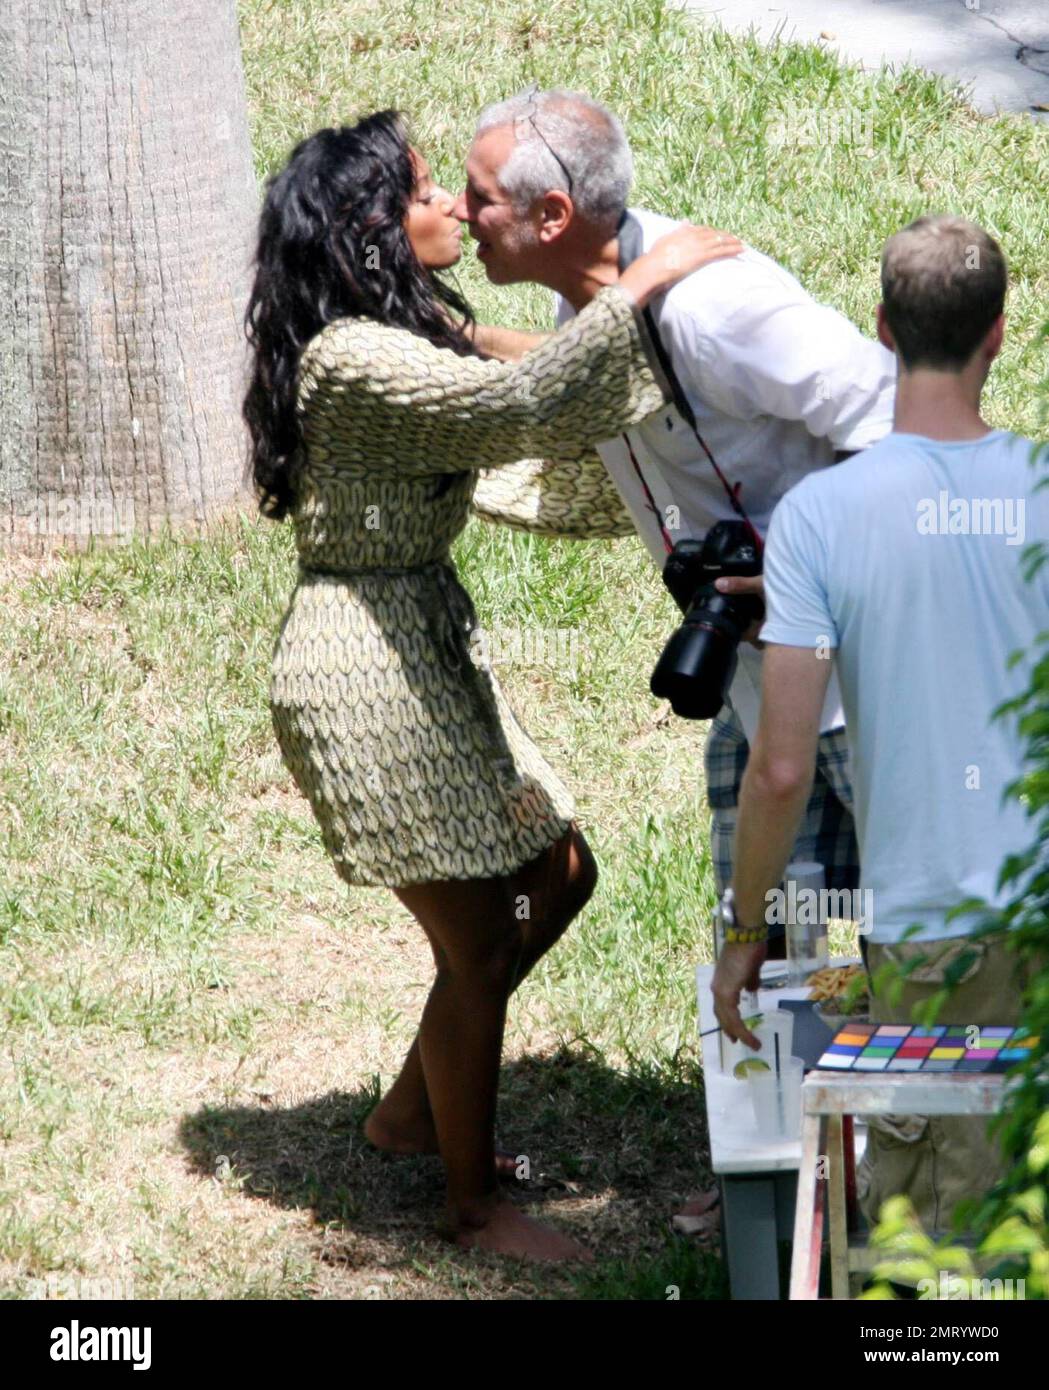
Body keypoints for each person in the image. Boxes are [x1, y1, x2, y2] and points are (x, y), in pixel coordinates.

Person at [242, 110, 743, 1263]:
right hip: (361, 675)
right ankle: (473, 1207)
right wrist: (637, 285)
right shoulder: (352, 361)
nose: (454, 209)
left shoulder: (396, 328)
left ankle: (407, 1114)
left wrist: (621, 332)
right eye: (427, 195)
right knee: (476, 949)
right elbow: (513, 409)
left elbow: (498, 358)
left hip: (418, 646)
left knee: (553, 875)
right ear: (373, 228)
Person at [453, 86, 897, 955]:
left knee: (908, 929)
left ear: (551, 215)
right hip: (749, 672)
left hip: (863, 676)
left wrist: (807, 572)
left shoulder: (715, 309)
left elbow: (890, 416)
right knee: (770, 940)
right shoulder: (585, 298)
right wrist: (461, 337)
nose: (461, 215)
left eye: (479, 197)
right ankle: (790, 1088)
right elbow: (572, 367)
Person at [712, 214, 1049, 1233]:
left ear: (881, 330)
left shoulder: (819, 517)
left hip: (936, 932)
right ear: (997, 332)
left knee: (947, 1250)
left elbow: (777, 769)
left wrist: (743, 933)